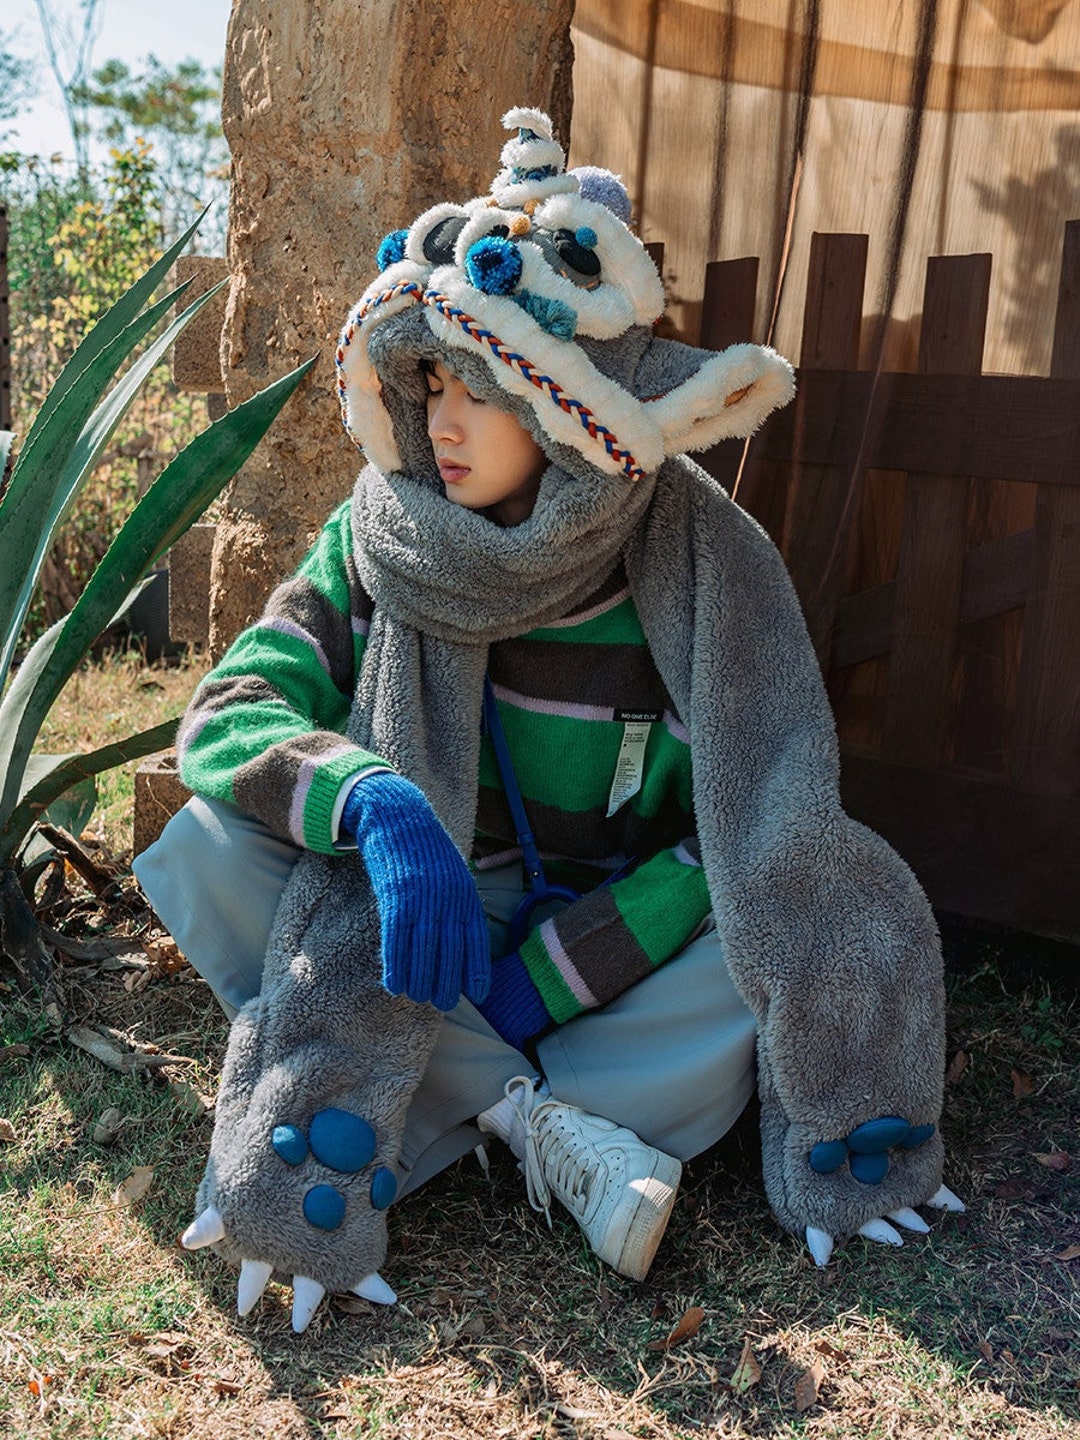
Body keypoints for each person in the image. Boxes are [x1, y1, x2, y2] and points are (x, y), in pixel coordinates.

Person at [134, 107, 961, 1336]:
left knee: (765, 958)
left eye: (486, 388)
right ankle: (535, 1125)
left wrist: (558, 975)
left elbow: (749, 833)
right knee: (208, 846)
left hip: (596, 937)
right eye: (431, 382)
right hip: (424, 907)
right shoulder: (380, 536)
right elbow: (232, 711)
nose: (445, 423)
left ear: (576, 404)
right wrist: (373, 801)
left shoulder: (706, 564)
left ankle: (438, 1096)